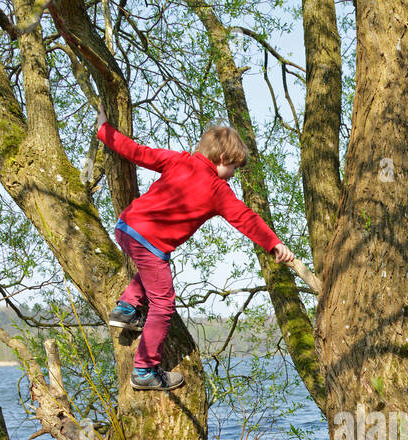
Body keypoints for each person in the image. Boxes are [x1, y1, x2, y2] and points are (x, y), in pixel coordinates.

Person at [96, 107, 295, 391]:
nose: (233, 176)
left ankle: (127, 309)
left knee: (154, 269)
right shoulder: (218, 190)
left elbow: (137, 152)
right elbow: (245, 218)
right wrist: (273, 243)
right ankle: (144, 370)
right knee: (163, 304)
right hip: (149, 242)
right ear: (223, 158)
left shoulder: (178, 160)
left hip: (126, 227)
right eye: (234, 169)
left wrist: (105, 131)